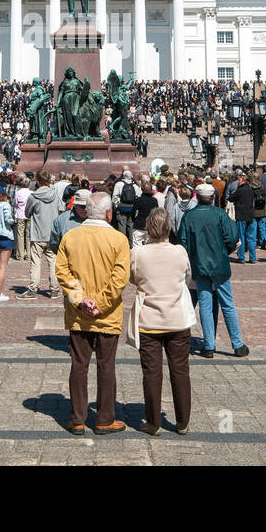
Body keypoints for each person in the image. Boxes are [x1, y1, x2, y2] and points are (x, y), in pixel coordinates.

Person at [56, 191, 129, 434]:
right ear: (109, 213)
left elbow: (62, 273)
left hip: (79, 314)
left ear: (86, 210)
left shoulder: (70, 236)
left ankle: (77, 418)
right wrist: (100, 302)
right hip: (107, 315)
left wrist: (81, 300)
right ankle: (105, 418)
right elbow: (120, 279)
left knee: (79, 364)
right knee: (106, 366)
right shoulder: (119, 240)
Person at [128, 208, 192, 435]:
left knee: (151, 372)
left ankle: (154, 422)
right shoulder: (179, 251)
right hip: (177, 318)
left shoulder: (138, 253)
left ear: (148, 228)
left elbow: (133, 279)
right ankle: (183, 421)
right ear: (168, 228)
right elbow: (187, 276)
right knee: (180, 370)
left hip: (149, 319)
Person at [176, 183, 248, 359]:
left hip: (199, 265)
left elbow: (182, 241)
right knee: (227, 304)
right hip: (219, 264)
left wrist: (190, 260)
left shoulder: (189, 216)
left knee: (205, 305)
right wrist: (226, 251)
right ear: (213, 198)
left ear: (197, 197)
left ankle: (209, 345)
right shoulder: (220, 214)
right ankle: (237, 344)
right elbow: (232, 237)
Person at [22, 170, 62, 300]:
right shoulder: (55, 194)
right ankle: (55, 289)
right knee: (53, 261)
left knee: (35, 262)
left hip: (38, 233)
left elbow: (27, 213)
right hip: (52, 233)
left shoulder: (34, 196)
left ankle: (33, 289)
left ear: (37, 180)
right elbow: (60, 210)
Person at [232, 173, 259, 263]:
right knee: (251, 237)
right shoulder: (251, 189)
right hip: (251, 215)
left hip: (241, 215)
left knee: (241, 237)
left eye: (239, 180)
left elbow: (231, 197)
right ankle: (253, 258)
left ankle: (241, 257)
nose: (238, 182)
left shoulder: (240, 190)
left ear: (243, 181)